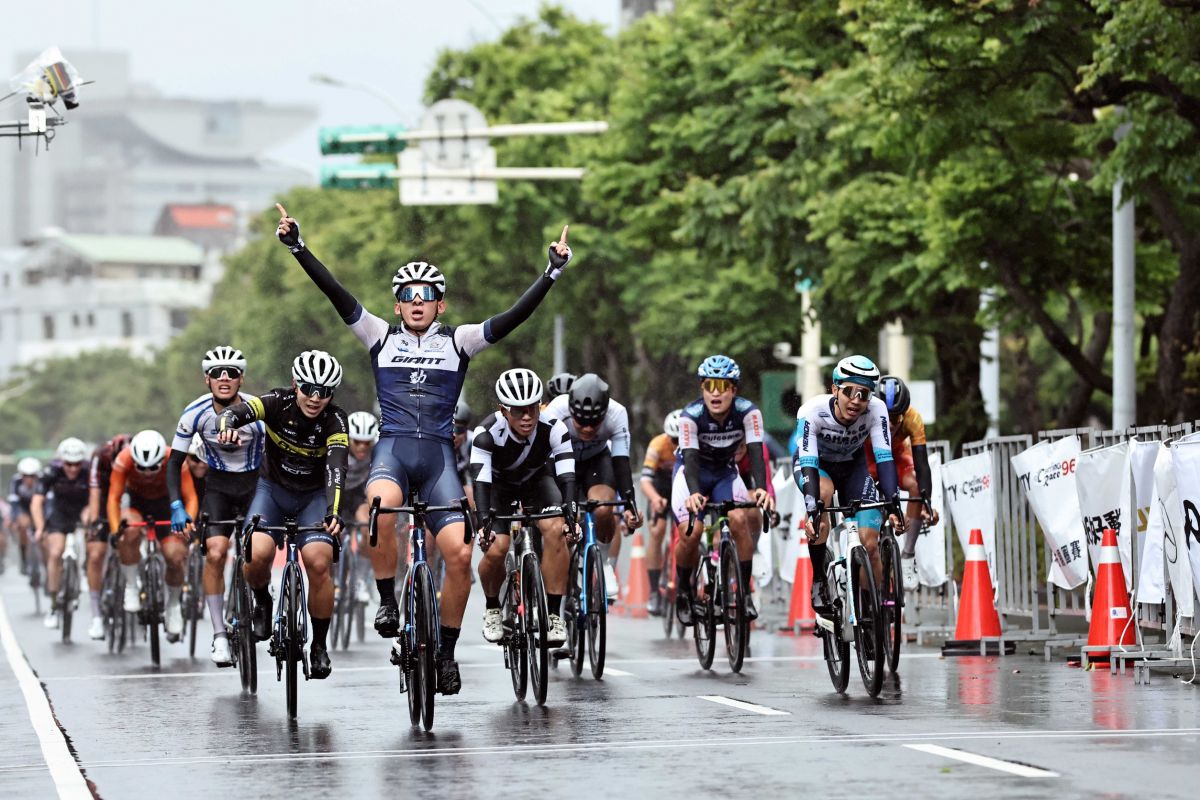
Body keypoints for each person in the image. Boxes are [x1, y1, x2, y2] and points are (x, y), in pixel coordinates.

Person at [274, 202, 573, 696]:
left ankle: (447, 655)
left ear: (441, 304)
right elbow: (335, 293)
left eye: (427, 295)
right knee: (380, 509)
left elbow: (513, 318)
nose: (417, 301)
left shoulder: (460, 341)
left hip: (437, 462)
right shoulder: (378, 336)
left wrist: (551, 273)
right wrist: (299, 248)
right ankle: (388, 600)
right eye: (407, 295)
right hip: (393, 453)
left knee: (458, 556)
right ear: (396, 305)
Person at [217, 349, 349, 680]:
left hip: (314, 498)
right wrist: (227, 426)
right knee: (256, 554)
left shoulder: (336, 420)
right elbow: (235, 413)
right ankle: (262, 602)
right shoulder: (276, 402)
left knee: (319, 563)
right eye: (308, 389)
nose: (316, 398)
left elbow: (336, 467)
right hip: (272, 492)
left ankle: (318, 645)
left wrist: (333, 511)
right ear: (295, 385)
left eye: (325, 392)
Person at [166, 346, 265, 666]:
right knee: (217, 553)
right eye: (218, 373)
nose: (225, 378)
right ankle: (219, 635)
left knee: (257, 553)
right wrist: (176, 504)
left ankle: (261, 598)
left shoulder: (258, 411)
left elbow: (277, 456)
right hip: (218, 487)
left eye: (232, 373)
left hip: (255, 485)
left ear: (241, 378)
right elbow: (175, 462)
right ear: (206, 379)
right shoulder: (194, 413)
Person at [470, 369, 577, 646]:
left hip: (536, 482)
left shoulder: (555, 427)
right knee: (497, 548)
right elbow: (481, 481)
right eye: (518, 411)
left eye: (531, 408)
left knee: (556, 530)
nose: (527, 417)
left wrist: (571, 515)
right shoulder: (485, 434)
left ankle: (554, 616)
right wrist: (484, 523)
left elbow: (566, 475)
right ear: (503, 411)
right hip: (498, 487)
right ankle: (493, 607)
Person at [793, 355, 901, 613]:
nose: (856, 400)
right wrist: (812, 510)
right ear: (834, 390)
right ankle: (819, 578)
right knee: (822, 497)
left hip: (853, 468)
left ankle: (871, 611)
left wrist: (894, 504)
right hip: (816, 466)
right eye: (849, 391)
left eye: (863, 394)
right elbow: (808, 460)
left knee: (870, 543)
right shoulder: (812, 411)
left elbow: (884, 459)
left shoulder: (877, 410)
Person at [672, 356, 775, 624]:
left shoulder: (749, 412)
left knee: (739, 520)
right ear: (702, 389)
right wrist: (695, 492)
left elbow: (755, 452)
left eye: (722, 385)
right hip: (691, 474)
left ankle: (744, 591)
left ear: (734, 390)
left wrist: (762, 488)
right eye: (709, 385)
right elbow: (691, 458)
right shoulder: (690, 416)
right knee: (691, 533)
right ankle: (683, 593)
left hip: (724, 474)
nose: (715, 392)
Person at [544, 374, 643, 598]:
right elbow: (545, 462)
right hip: (561, 462)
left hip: (597, 461)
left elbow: (621, 462)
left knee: (603, 508)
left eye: (595, 422)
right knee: (558, 517)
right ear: (571, 411)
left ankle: (605, 563)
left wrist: (630, 505)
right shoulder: (556, 411)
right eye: (581, 422)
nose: (588, 429)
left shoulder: (617, 413)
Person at [108, 430, 199, 641]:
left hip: (167, 505)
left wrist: (188, 525)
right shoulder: (123, 459)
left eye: (153, 468)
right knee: (127, 531)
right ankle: (131, 584)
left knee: (175, 557)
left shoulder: (175, 458)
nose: (148, 473)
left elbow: (191, 497)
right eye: (141, 468)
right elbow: (114, 498)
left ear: (162, 459)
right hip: (137, 503)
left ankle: (174, 604)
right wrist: (115, 530)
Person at [870, 375, 940, 585]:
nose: (890, 424)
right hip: (869, 456)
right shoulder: (864, 413)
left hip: (897, 456)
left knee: (916, 484)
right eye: (885, 417)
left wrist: (925, 502)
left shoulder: (913, 418)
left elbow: (921, 463)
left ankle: (908, 555)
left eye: (896, 418)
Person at [31, 438, 91, 629]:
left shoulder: (89, 471)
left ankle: (84, 573)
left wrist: (90, 516)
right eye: (68, 464)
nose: (73, 469)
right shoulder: (51, 472)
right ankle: (54, 603)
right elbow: (36, 503)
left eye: (77, 464)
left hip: (83, 509)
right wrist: (40, 527)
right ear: (61, 461)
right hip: (59, 513)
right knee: (56, 553)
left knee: (92, 540)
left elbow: (97, 498)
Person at [640, 410, 680, 616]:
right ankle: (655, 591)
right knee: (657, 531)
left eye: (680, 440)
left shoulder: (692, 443)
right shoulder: (657, 445)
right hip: (660, 488)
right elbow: (645, 480)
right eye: (673, 439)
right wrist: (655, 499)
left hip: (681, 486)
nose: (676, 444)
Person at [6, 457, 41, 575]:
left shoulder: (42, 481)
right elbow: (13, 502)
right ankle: (24, 557)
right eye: (26, 476)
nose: (29, 479)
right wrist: (15, 518)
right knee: (23, 525)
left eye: (32, 476)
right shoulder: (15, 481)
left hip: (39, 508)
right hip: (23, 508)